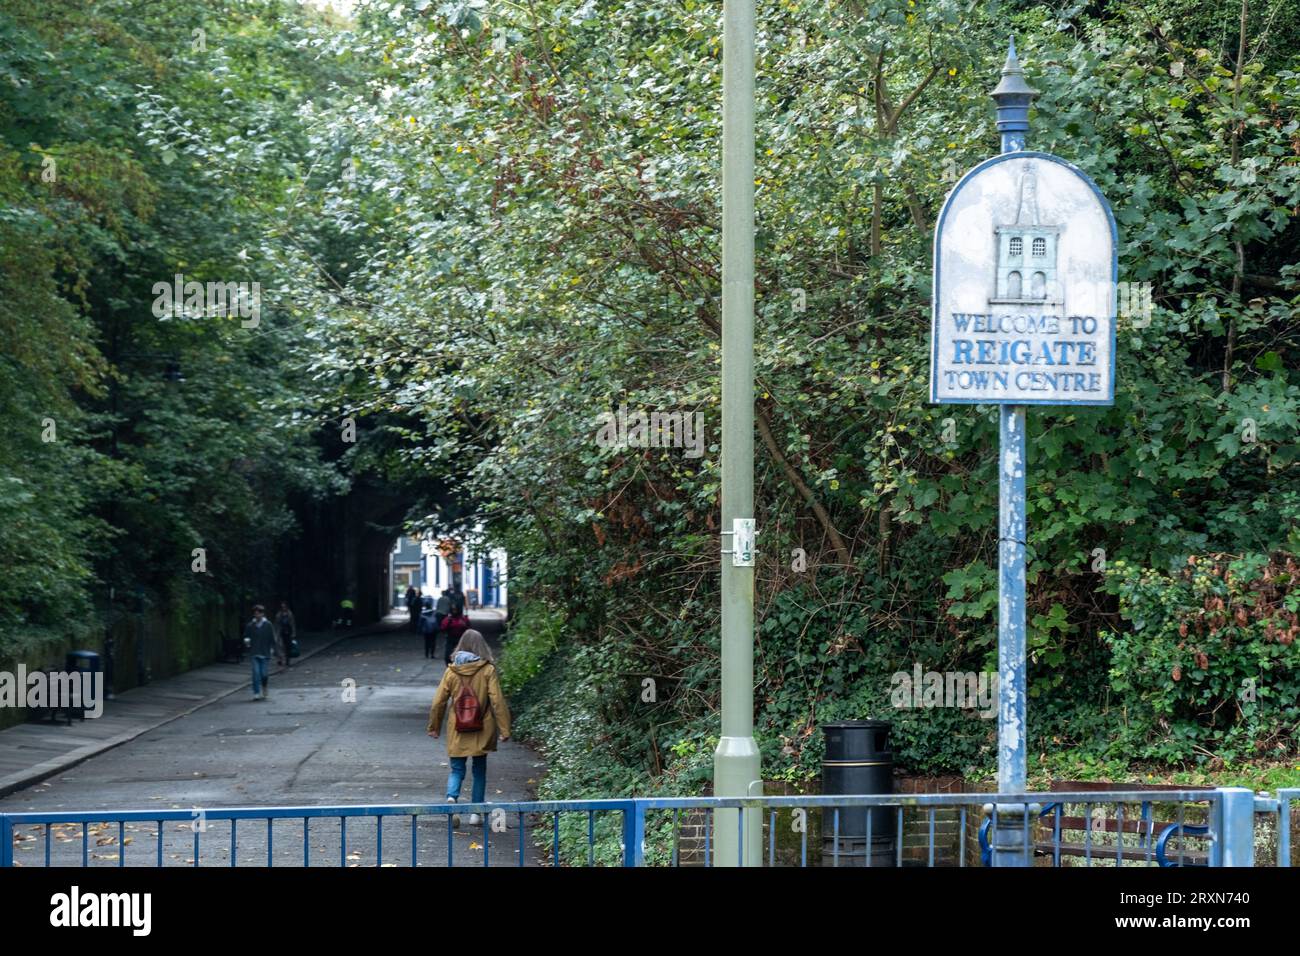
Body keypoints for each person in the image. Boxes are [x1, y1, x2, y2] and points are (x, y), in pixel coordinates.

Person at [426, 629, 511, 826]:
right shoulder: (487, 670)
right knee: (479, 770)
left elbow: (438, 702)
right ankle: (475, 813)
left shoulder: (451, 671)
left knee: (456, 769)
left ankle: (452, 799)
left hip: (458, 728)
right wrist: (505, 729)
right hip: (482, 727)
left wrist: (434, 726)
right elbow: (497, 701)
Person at [243, 605, 283, 701]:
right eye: (255, 613)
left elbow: (272, 640)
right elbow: (246, 636)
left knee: (264, 674)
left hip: (265, 653)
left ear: (262, 614)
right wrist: (246, 642)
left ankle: (264, 687)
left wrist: (278, 654)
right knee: (256, 673)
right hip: (254, 653)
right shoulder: (250, 625)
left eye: (258, 613)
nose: (256, 615)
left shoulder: (268, 625)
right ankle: (256, 692)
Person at [275, 601, 296, 666]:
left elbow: (292, 624)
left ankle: (287, 660)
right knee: (280, 646)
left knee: (288, 646)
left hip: (288, 632)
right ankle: (280, 660)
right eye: (282, 607)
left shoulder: (290, 614)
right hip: (280, 632)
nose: (283, 608)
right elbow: (276, 623)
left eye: (284, 606)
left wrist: (293, 633)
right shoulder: (279, 614)